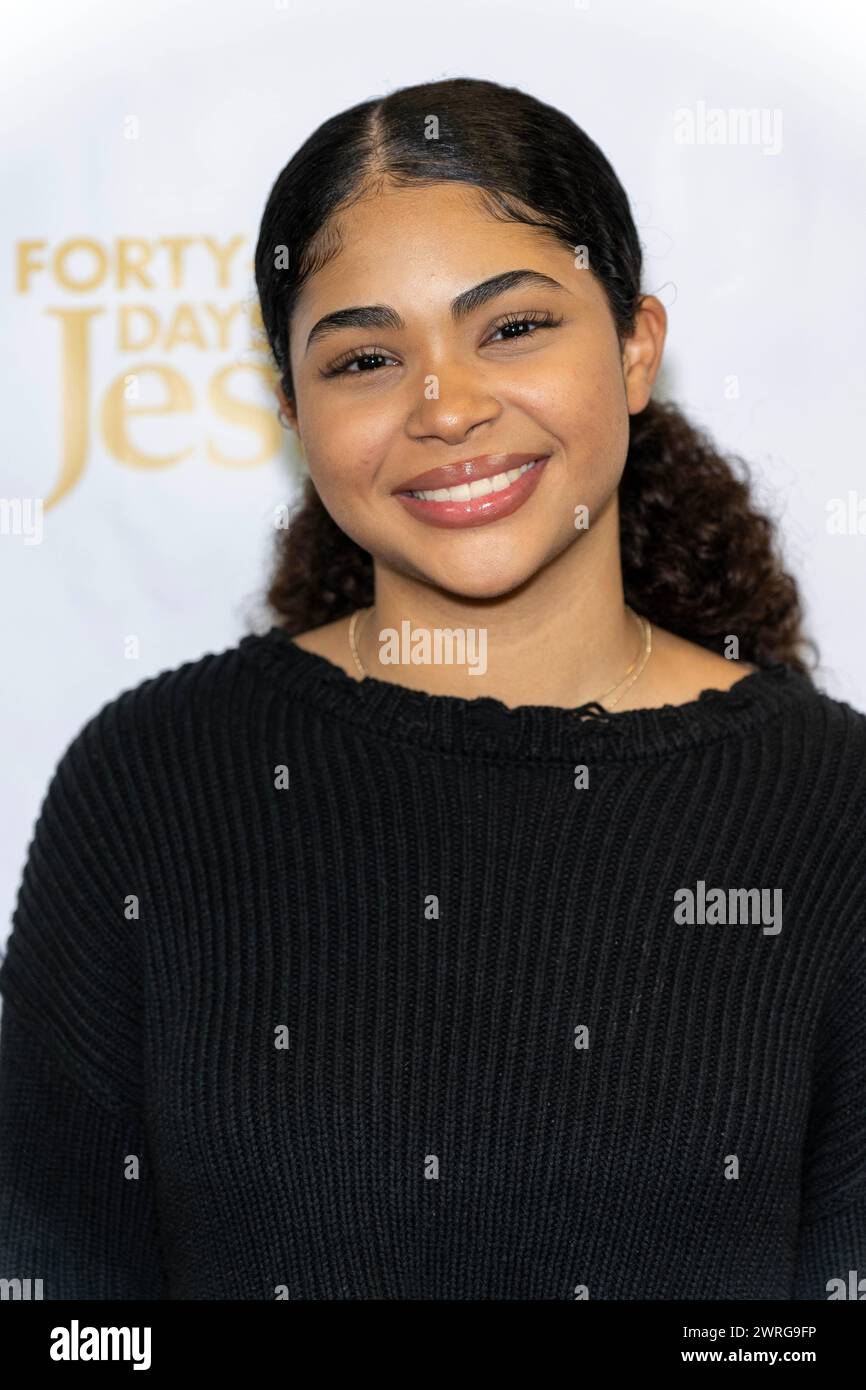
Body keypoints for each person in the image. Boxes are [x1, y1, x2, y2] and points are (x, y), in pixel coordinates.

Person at [1, 77, 864, 1301]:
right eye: (364, 356)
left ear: (632, 346)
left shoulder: (832, 802)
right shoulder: (153, 779)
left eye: (511, 327)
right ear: (294, 410)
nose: (444, 405)